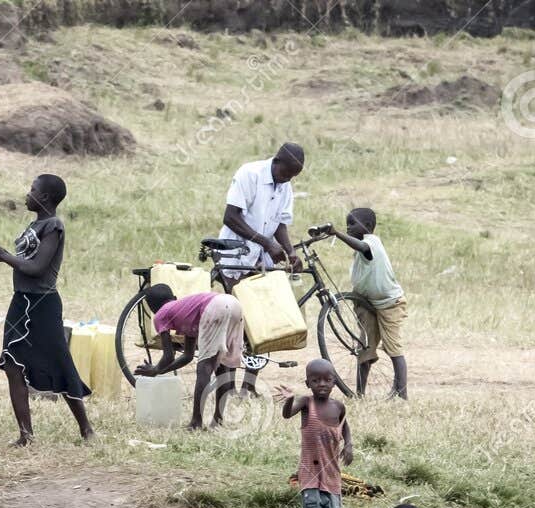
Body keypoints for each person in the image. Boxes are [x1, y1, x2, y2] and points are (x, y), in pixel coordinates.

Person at [0, 174, 94, 446]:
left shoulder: (54, 226)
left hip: (43, 304)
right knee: (11, 364)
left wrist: (3, 255)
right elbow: (25, 263)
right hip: (21, 302)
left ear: (45, 197)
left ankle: (86, 429)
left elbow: (36, 268)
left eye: (32, 189)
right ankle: (26, 435)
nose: (27, 193)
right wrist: (5, 258)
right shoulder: (35, 224)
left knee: (60, 363)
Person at [133, 284, 247, 429]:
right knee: (223, 367)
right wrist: (159, 371)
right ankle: (217, 421)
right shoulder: (184, 310)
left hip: (215, 307)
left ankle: (196, 422)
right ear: (174, 298)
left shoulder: (160, 315)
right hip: (234, 303)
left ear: (152, 309)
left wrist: (155, 370)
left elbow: (168, 356)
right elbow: (187, 356)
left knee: (204, 369)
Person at [325, 207, 408, 399]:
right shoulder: (363, 245)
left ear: (368, 226)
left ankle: (402, 394)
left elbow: (362, 248)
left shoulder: (371, 242)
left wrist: (336, 233)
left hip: (390, 303)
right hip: (367, 302)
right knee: (364, 348)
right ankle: (360, 394)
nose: (348, 228)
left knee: (393, 347)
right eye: (346, 225)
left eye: (352, 224)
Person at [274, 359, 352, 508]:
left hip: (332, 472)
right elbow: (287, 414)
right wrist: (290, 399)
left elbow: (345, 426)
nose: (322, 384)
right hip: (310, 472)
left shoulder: (338, 407)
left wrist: (349, 444)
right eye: (316, 380)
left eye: (327, 380)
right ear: (308, 383)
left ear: (335, 382)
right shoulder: (306, 403)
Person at [218, 143, 305, 277]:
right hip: (235, 253)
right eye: (285, 174)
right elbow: (230, 217)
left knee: (263, 296)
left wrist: (291, 252)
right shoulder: (250, 174)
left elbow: (279, 223)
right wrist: (267, 244)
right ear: (276, 161)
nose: (287, 179)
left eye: (292, 177)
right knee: (235, 296)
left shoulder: (285, 184)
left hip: (261, 259)